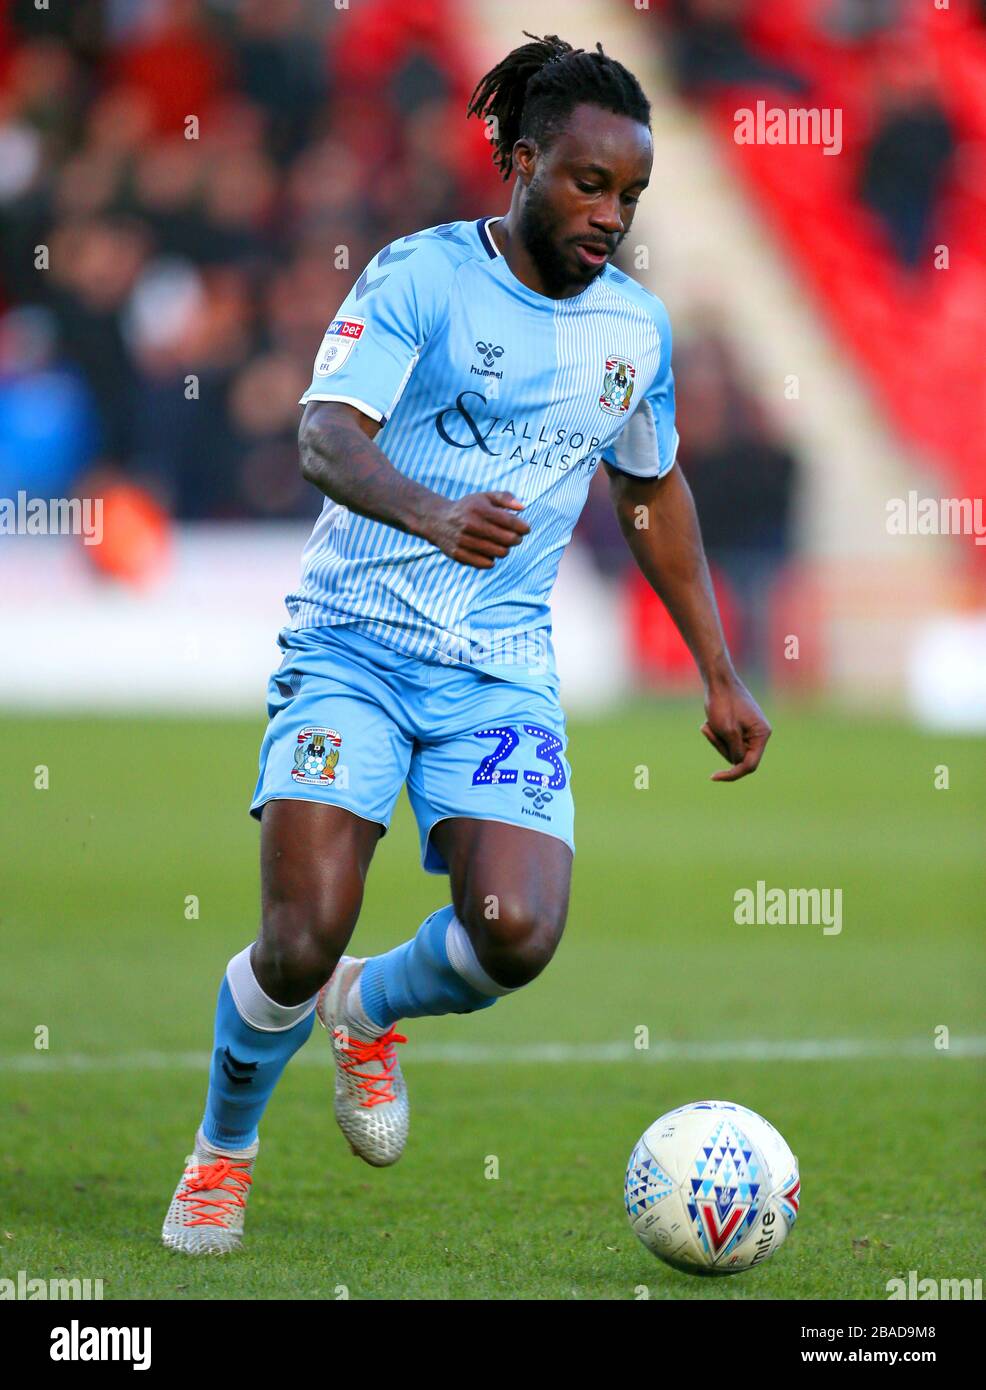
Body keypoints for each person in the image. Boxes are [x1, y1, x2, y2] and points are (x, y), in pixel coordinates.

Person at [162, 31, 771, 1254]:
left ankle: (367, 1011)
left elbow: (649, 493)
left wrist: (714, 664)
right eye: (589, 185)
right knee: (297, 933)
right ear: (525, 161)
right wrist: (436, 512)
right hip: (353, 648)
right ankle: (222, 1153)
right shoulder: (417, 279)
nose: (609, 214)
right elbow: (325, 437)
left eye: (631, 196)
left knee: (516, 934)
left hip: (496, 670)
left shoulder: (633, 334)